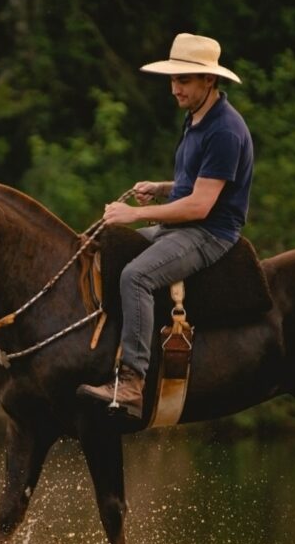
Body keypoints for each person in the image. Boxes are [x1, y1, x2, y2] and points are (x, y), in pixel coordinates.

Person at [77, 33, 254, 414]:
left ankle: (132, 382)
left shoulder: (224, 129)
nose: (175, 89)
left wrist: (135, 214)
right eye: (173, 80)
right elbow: (198, 184)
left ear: (210, 80)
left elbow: (202, 206)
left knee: (135, 276)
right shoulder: (196, 117)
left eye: (184, 80)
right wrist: (161, 188)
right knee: (104, 251)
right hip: (184, 223)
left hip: (209, 233)